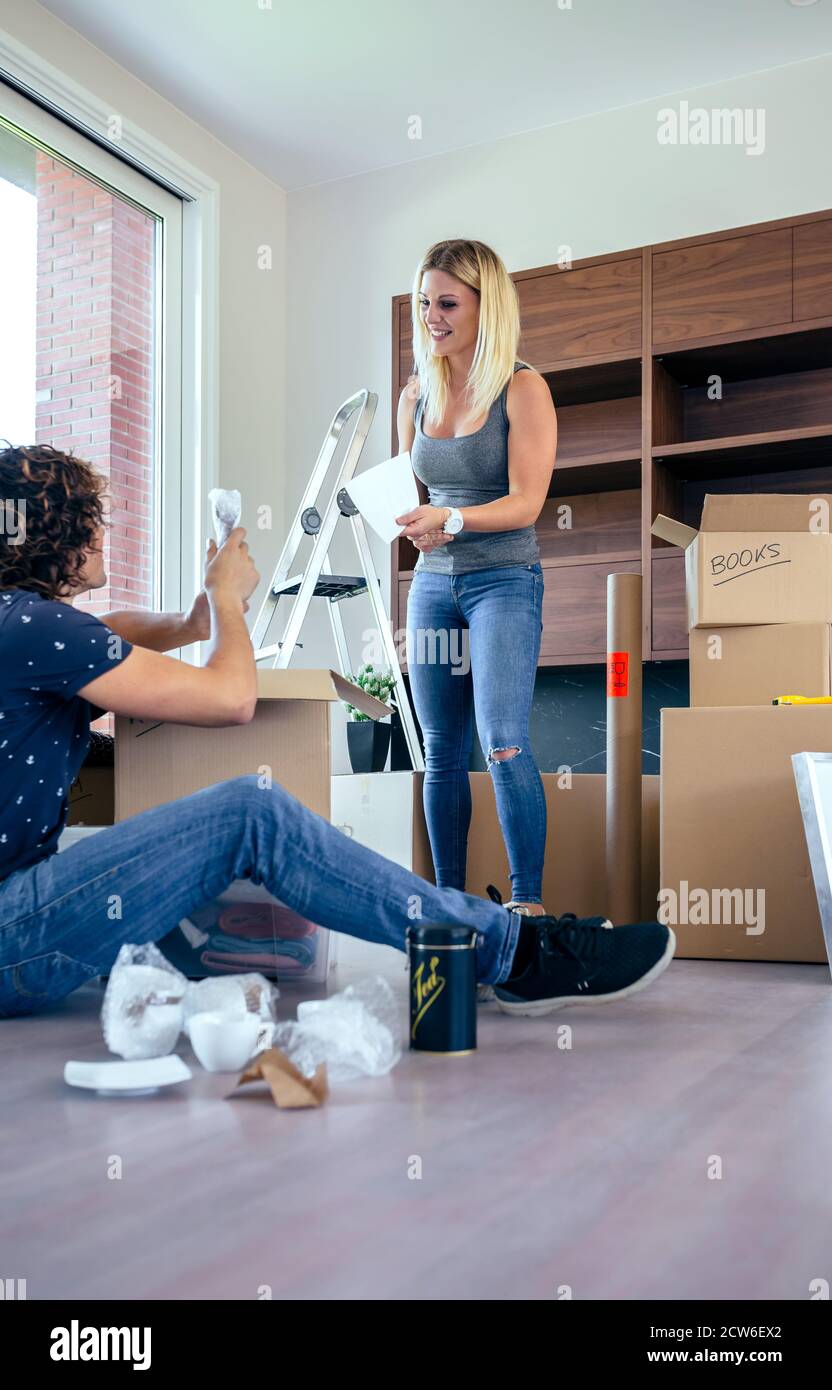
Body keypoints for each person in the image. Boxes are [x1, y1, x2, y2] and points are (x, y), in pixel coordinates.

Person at [0, 443, 675, 1022]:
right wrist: (228, 603)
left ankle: (494, 944)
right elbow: (232, 697)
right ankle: (516, 956)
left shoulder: (23, 625)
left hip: (20, 917)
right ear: (51, 536)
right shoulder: (32, 627)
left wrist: (200, 614)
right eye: (86, 520)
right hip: (14, 936)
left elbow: (114, 632)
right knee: (251, 813)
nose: (98, 533)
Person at [396, 239, 554, 919]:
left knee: (502, 738)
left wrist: (451, 520)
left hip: (504, 581)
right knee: (441, 751)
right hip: (432, 584)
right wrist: (414, 523)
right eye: (425, 302)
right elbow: (414, 495)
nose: (433, 315)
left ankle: (527, 907)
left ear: (487, 306)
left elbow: (526, 502)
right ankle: (449, 906)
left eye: (448, 303)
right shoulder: (417, 393)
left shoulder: (522, 386)